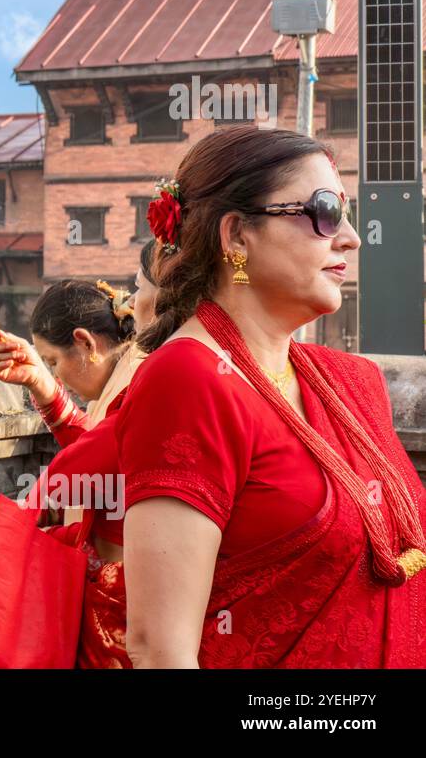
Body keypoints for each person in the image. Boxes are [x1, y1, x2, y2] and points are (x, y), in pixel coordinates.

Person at [116, 124, 426, 668]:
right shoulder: (190, 379)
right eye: (325, 212)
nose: (350, 237)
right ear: (237, 236)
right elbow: (160, 649)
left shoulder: (349, 382)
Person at [0, 242, 157, 667]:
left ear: (84, 343)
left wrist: (30, 515)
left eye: (54, 361)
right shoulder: (128, 377)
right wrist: (41, 383)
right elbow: (99, 446)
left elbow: (88, 458)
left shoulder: (146, 377)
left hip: (129, 595)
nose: (56, 375)